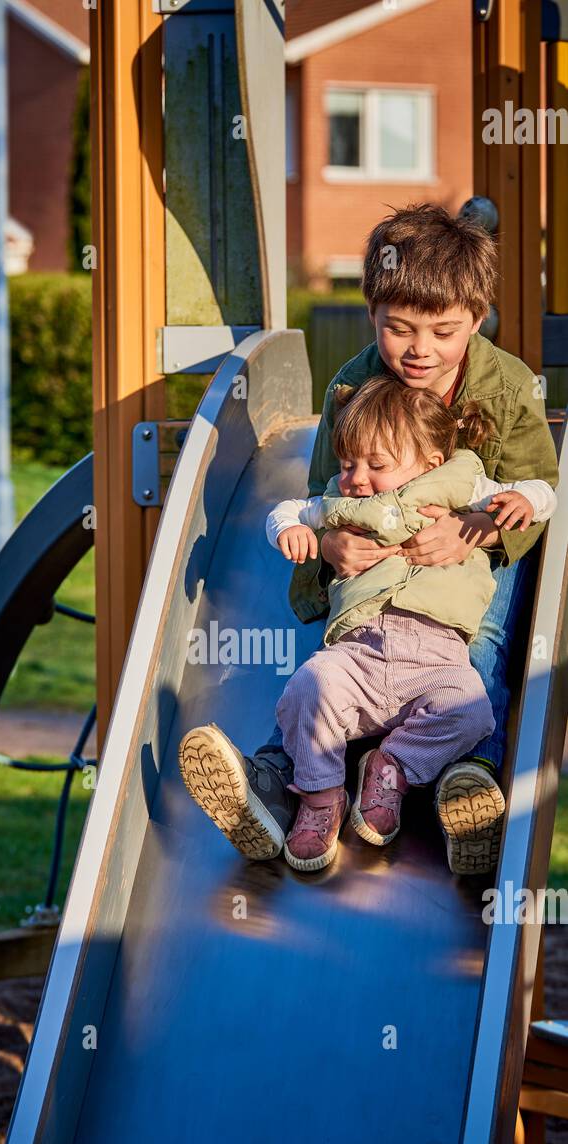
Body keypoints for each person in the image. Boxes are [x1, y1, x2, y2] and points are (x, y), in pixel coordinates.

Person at [178, 202, 559, 875]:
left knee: (485, 647)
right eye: (399, 329)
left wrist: (476, 530)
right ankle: (278, 781)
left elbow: (538, 480)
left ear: (476, 318)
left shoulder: (504, 386)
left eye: (443, 332)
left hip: (473, 554)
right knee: (327, 660)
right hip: (374, 557)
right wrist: (327, 549)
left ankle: (467, 781)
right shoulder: (353, 383)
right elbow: (323, 486)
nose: (420, 350)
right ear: (372, 314)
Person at [263, 375, 555, 871]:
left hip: (437, 654)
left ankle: (391, 766)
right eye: (349, 462)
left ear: (431, 463)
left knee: (472, 710)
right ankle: (321, 795)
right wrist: (289, 529)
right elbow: (289, 509)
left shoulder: (463, 486)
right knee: (308, 687)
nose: (357, 477)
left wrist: (525, 501)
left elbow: (541, 491)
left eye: (377, 465)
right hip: (358, 652)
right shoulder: (341, 497)